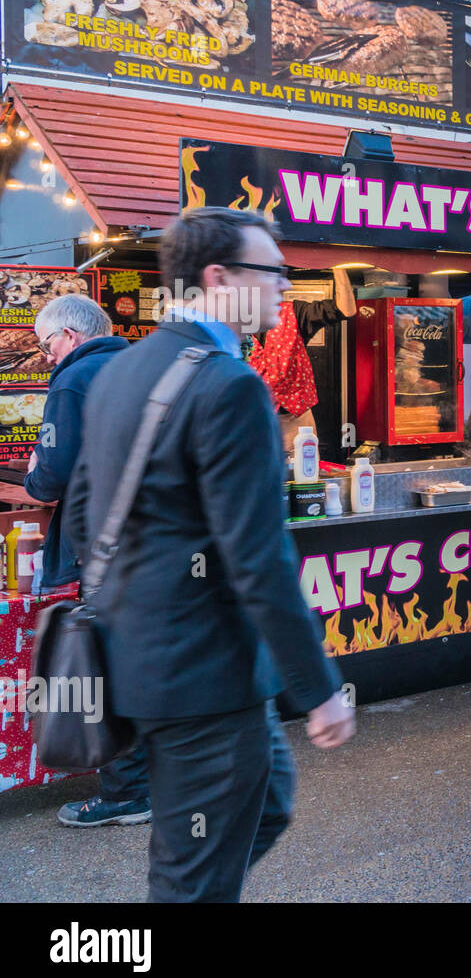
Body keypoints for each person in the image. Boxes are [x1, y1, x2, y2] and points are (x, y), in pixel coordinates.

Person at [64, 207, 355, 902]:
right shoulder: (230, 385)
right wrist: (317, 688)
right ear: (218, 278)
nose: (285, 285)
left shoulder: (120, 370)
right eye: (272, 270)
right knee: (190, 879)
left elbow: (80, 507)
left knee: (270, 801)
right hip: (202, 678)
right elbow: (256, 556)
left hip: (148, 661)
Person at [22, 295, 147, 827]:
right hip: (157, 543)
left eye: (47, 345)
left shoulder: (73, 379)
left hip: (103, 547)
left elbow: (49, 476)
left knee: (108, 669)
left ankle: (127, 795)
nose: (48, 357)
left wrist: (33, 469)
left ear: (70, 336)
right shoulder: (143, 368)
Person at [247, 266, 357, 453]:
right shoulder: (229, 321)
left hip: (294, 420)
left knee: (303, 477)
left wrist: (338, 262)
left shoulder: (294, 313)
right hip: (249, 419)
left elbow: (345, 309)